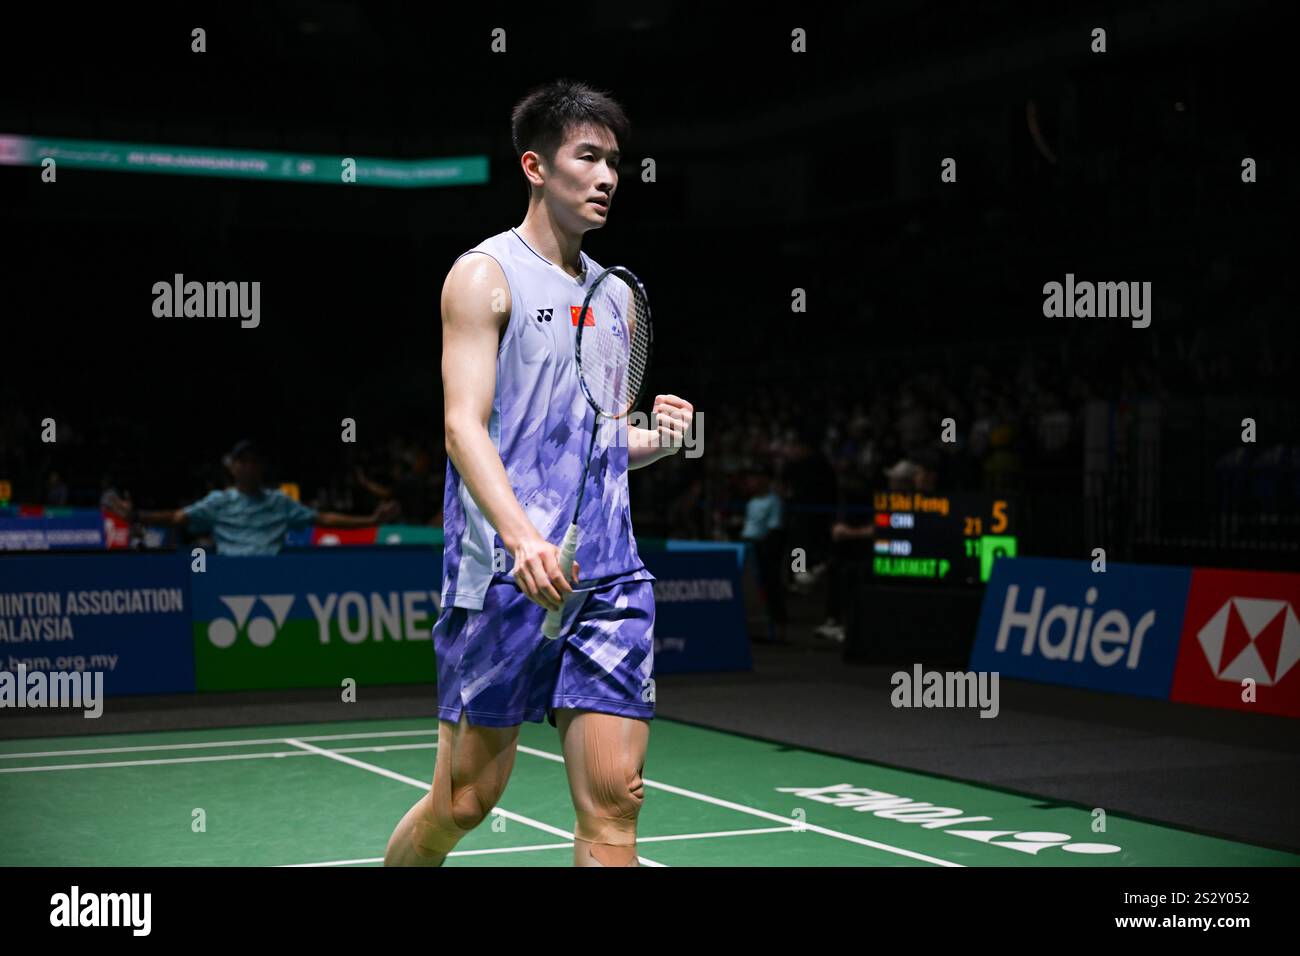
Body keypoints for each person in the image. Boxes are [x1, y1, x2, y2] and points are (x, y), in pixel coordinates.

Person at [384, 79, 695, 868]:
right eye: (586, 157)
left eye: (614, 162)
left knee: (616, 800)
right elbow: (463, 426)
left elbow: (595, 441)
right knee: (463, 801)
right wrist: (522, 539)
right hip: (504, 573)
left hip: (608, 578)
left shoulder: (615, 297)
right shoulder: (484, 277)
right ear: (534, 165)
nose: (606, 177)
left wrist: (659, 439)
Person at [103, 439, 398, 555]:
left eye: (254, 460)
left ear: (262, 467)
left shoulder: (279, 501)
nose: (249, 466)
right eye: (243, 461)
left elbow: (324, 519)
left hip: (273, 574)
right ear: (233, 467)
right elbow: (177, 518)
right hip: (229, 575)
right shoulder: (218, 501)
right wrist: (137, 516)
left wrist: (370, 520)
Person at [740, 467, 788, 643]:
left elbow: (774, 527)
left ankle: (778, 628)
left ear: (766, 480)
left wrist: (764, 547)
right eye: (751, 478)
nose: (753, 482)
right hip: (746, 546)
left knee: (771, 585)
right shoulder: (751, 502)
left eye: (757, 478)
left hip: (765, 548)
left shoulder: (774, 501)